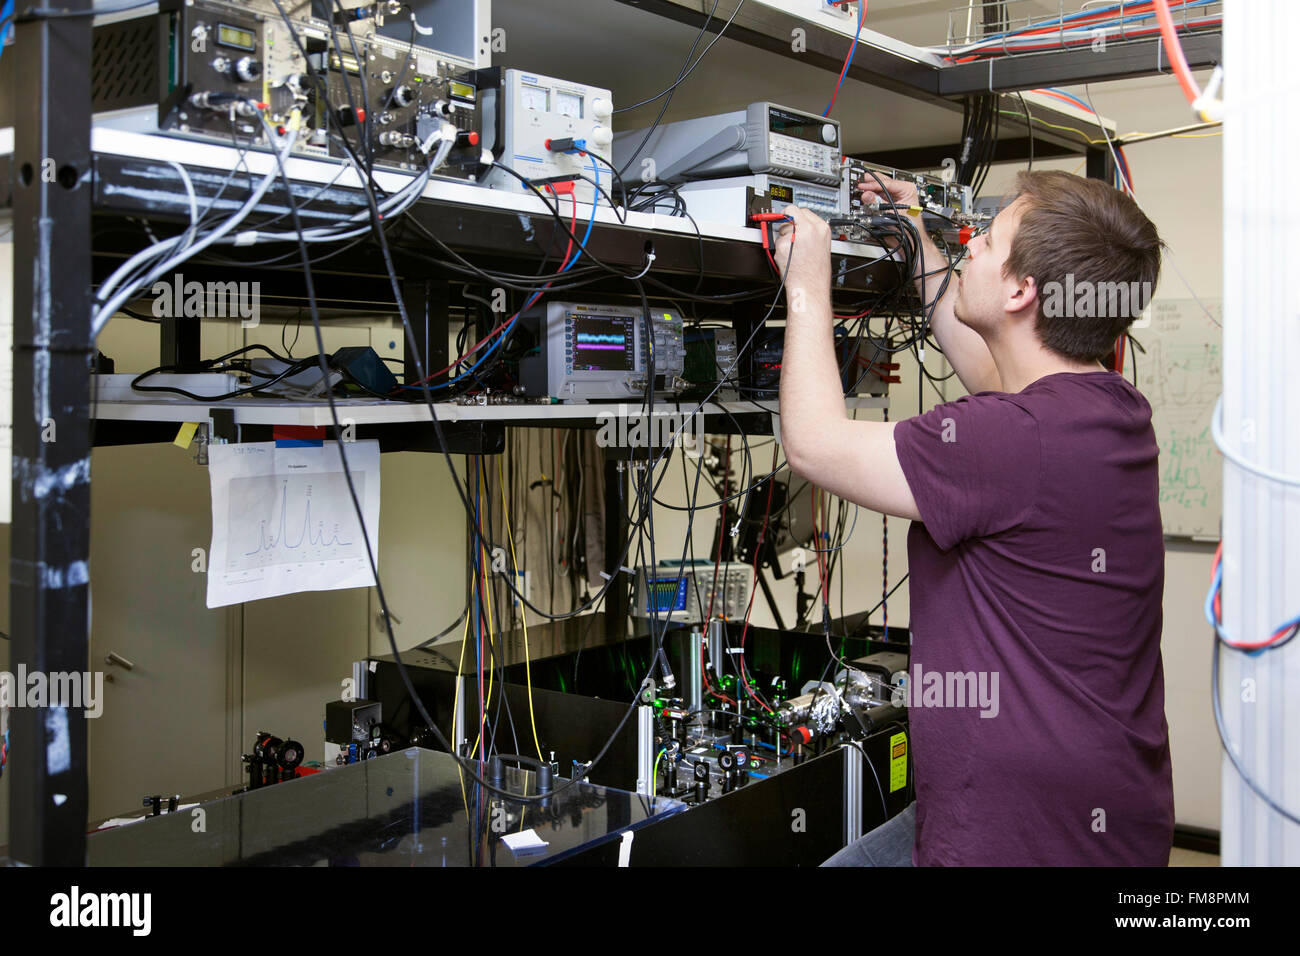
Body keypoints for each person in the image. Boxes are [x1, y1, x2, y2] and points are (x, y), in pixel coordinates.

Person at [774, 170, 1174, 866]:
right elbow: (997, 378)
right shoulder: (1108, 408)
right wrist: (920, 240)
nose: (972, 246)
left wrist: (808, 279)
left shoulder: (1006, 438)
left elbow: (813, 443)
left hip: (1019, 833)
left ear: (1022, 292)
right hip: (1097, 806)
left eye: (986, 240)